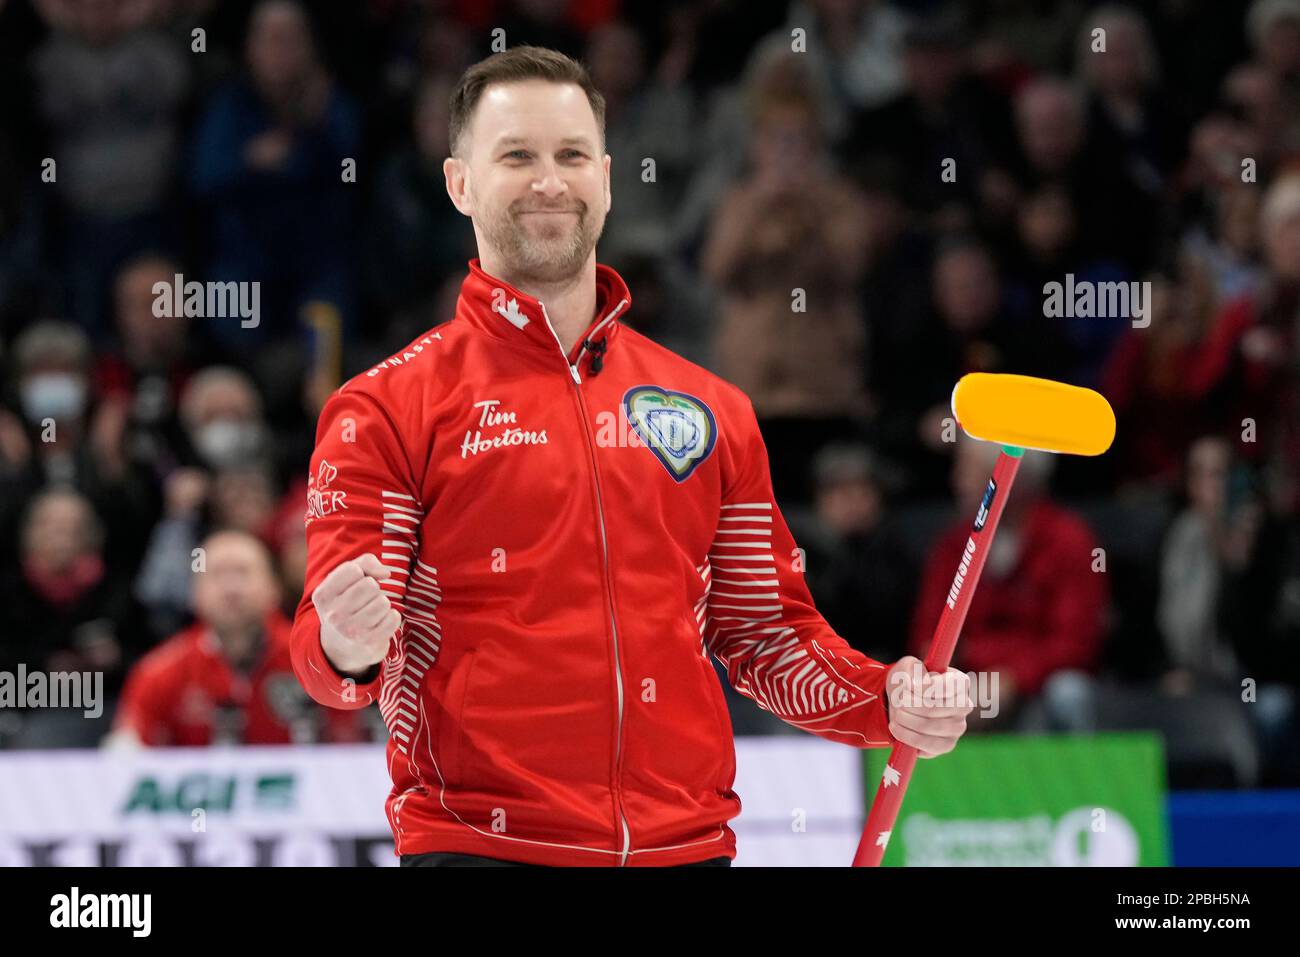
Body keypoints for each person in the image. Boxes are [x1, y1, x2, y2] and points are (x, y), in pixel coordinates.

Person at [289, 46, 972, 868]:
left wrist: (885, 700)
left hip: (685, 848)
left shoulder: (710, 408)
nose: (550, 180)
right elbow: (329, 664)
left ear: (607, 180)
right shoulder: (385, 406)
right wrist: (345, 645)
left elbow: (764, 634)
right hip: (483, 848)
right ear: (459, 183)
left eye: (572, 155)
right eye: (516, 156)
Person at [110, 530, 364, 747]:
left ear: (273, 588)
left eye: (243, 573)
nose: (231, 588)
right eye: (217, 574)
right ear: (194, 593)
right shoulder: (158, 672)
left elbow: (354, 744)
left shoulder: (317, 657)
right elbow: (125, 753)